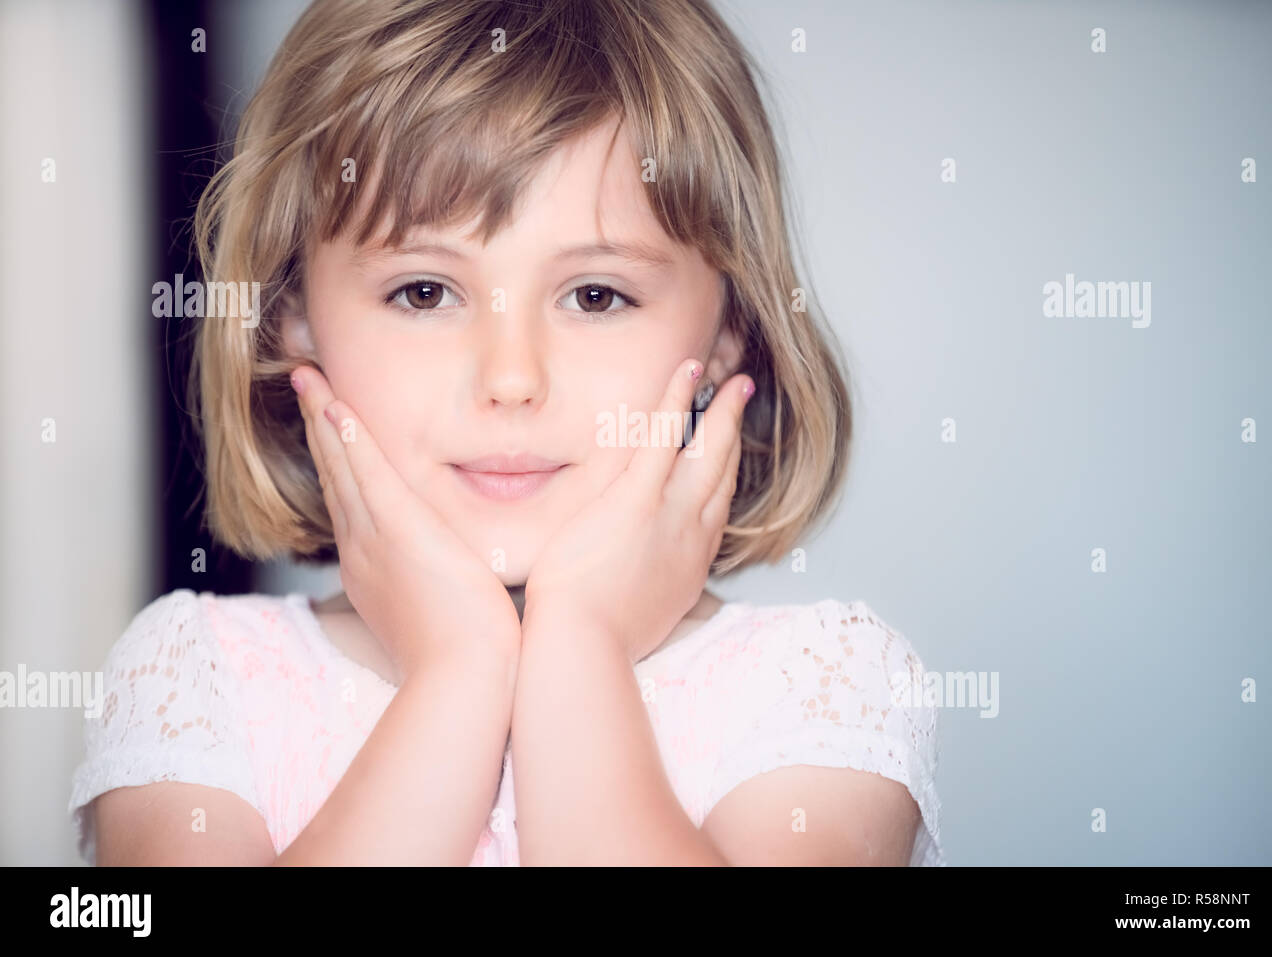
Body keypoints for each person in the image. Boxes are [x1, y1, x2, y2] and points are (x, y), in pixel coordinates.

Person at [69, 0, 944, 866]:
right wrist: (458, 668)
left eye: (596, 296)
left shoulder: (824, 684)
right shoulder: (194, 677)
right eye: (424, 292)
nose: (511, 378)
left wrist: (581, 644)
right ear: (291, 315)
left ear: (728, 333)